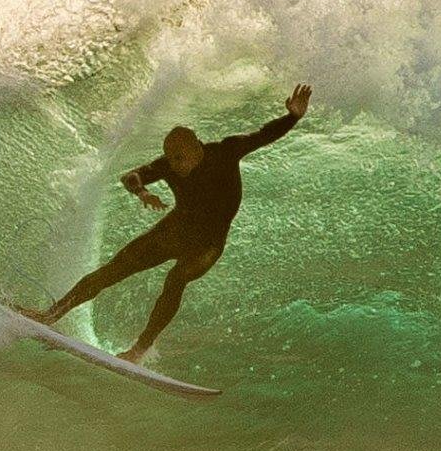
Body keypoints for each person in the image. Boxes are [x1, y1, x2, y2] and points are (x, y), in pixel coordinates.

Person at [25, 84, 312, 360]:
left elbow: (263, 135)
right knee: (117, 268)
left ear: (197, 148)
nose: (174, 166)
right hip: (175, 230)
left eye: (179, 158)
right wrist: (142, 191)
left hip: (208, 243)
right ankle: (49, 316)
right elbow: (131, 176)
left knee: (176, 279)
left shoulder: (225, 152)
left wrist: (292, 117)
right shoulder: (169, 165)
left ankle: (138, 351)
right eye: (170, 159)